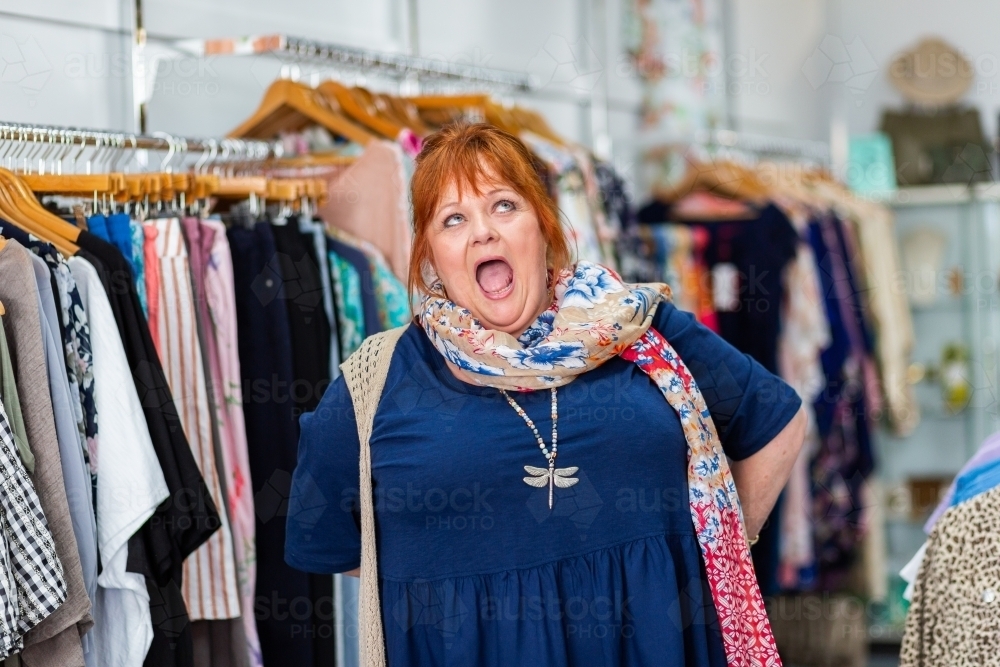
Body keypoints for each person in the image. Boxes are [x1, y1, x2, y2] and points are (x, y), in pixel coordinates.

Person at [285, 122, 806, 666]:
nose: (483, 233)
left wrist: (717, 551)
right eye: (453, 219)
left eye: (504, 206)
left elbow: (777, 420)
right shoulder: (377, 380)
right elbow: (325, 537)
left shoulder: (635, 326)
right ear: (430, 257)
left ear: (543, 225)